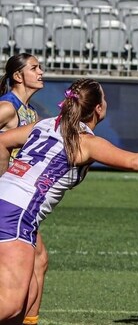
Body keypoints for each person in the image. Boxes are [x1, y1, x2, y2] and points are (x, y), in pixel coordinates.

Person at [0, 79, 138, 323]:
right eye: (104, 98)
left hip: (8, 205)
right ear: (98, 109)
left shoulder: (46, 124)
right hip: (16, 216)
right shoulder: (86, 142)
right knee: (10, 305)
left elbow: (3, 140)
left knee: (35, 274)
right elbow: (133, 161)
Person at [0, 54, 46, 325]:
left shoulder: (31, 112)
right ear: (18, 76)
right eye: (34, 68)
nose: (41, 72)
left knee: (39, 261)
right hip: (6, 198)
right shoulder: (7, 107)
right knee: (37, 259)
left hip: (18, 200)